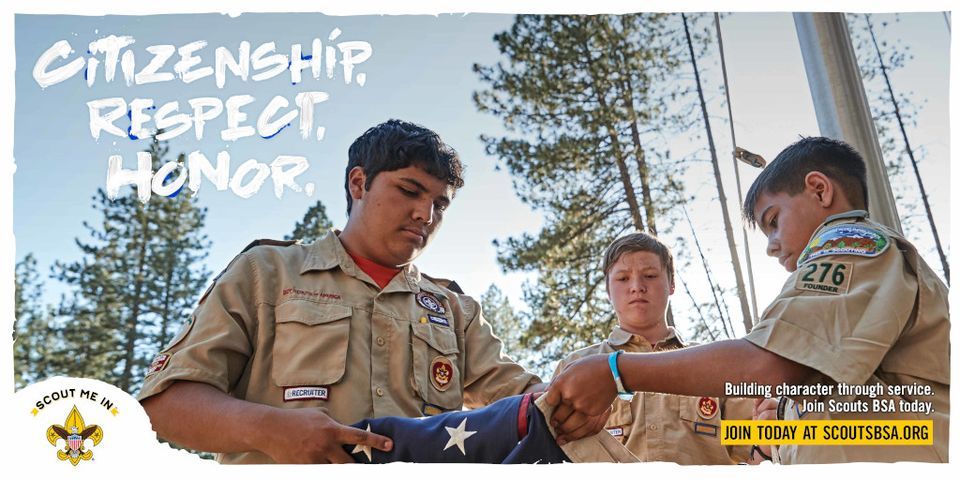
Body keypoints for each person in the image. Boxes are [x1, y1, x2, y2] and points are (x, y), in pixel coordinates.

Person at [138, 119, 545, 464]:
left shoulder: (456, 311)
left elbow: (533, 401)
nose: (426, 214)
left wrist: (605, 372)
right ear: (358, 183)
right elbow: (166, 405)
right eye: (409, 191)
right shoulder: (267, 273)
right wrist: (268, 430)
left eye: (441, 204)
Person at [545, 137, 949, 463]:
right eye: (623, 278)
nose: (772, 247)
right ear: (607, 288)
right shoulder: (579, 365)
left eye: (773, 221)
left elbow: (766, 372)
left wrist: (616, 372)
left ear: (819, 190)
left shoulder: (853, 247)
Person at [552, 232, 755, 465]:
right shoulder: (575, 368)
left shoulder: (717, 364)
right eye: (623, 279)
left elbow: (754, 446)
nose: (637, 287)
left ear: (671, 284)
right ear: (608, 290)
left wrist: (770, 435)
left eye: (649, 275)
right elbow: (553, 451)